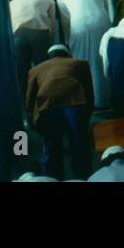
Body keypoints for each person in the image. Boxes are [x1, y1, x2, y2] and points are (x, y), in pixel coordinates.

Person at [25, 44, 93, 180]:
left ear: (48, 57)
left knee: (51, 148)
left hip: (47, 106)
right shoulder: (81, 64)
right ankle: (83, 177)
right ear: (67, 54)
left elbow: (29, 99)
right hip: (75, 103)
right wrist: (86, 116)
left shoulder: (35, 70)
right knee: (79, 145)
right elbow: (89, 92)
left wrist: (33, 121)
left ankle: (52, 177)